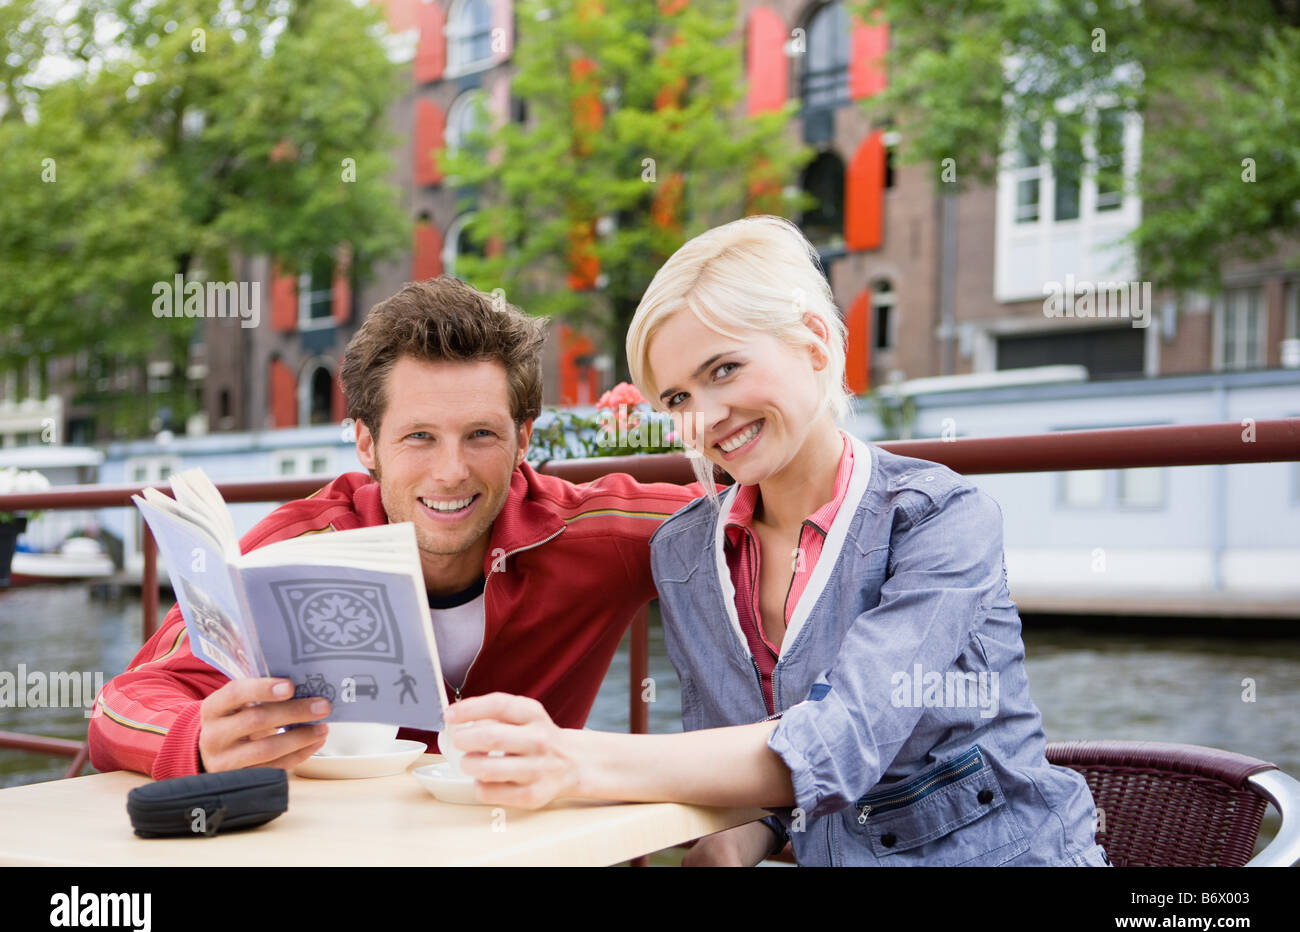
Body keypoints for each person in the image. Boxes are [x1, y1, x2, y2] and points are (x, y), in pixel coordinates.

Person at [441, 216, 1109, 867]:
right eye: (676, 398)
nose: (704, 418)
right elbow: (745, 770)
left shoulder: (942, 519)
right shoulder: (686, 551)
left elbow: (841, 741)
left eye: (725, 369)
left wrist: (573, 758)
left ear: (815, 343)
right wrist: (736, 841)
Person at [87, 276, 711, 779]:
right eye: (418, 436)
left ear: (524, 437)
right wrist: (199, 741)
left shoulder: (598, 530)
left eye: (481, 435)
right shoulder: (293, 546)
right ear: (366, 442)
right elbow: (124, 703)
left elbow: (753, 510)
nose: (450, 471)